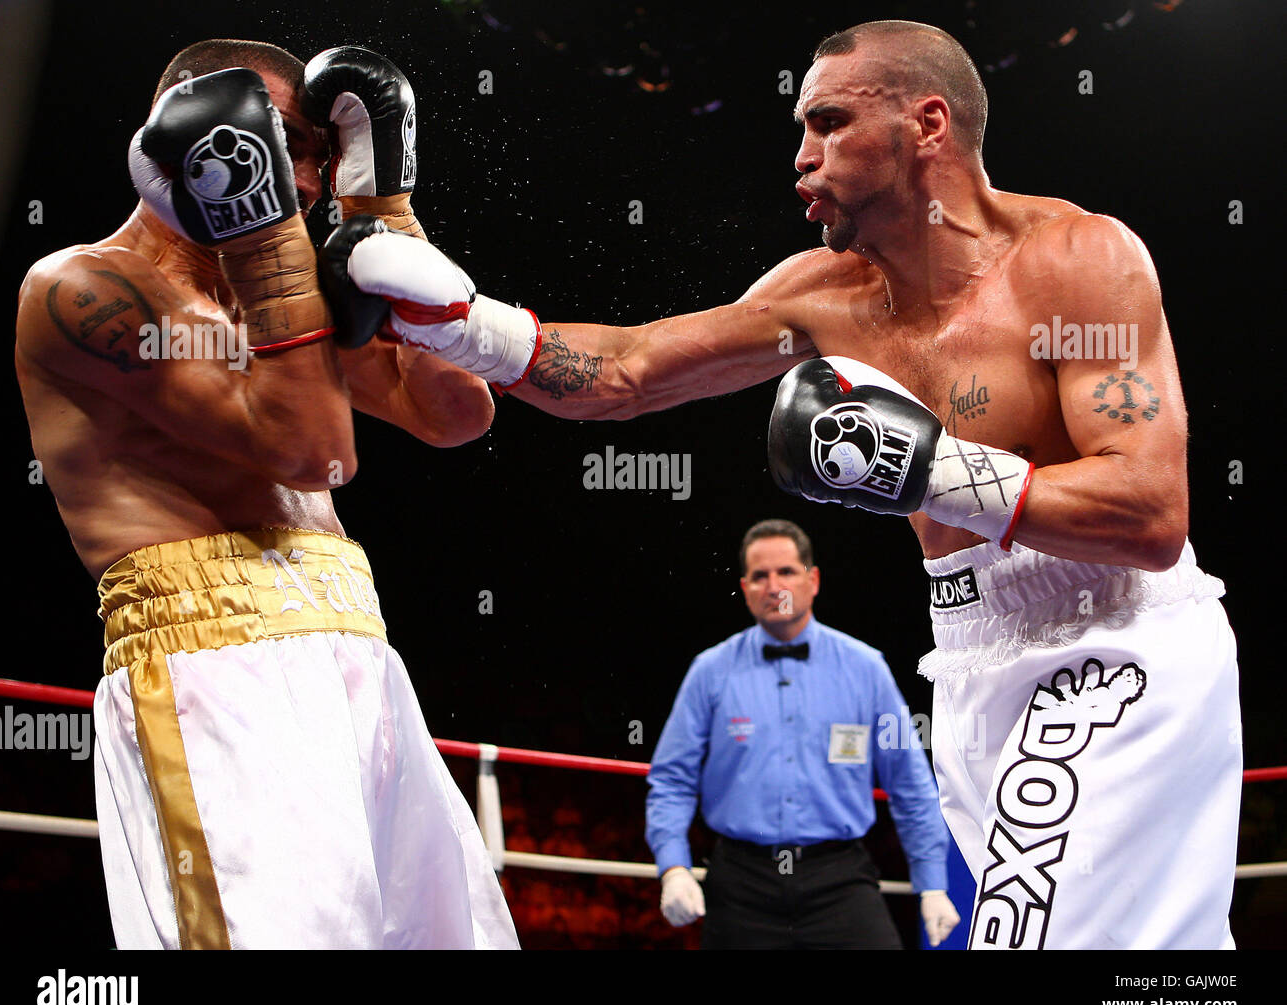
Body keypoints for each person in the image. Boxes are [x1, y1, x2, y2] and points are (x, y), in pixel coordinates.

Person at [321, 19, 1241, 949]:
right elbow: (628, 372)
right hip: (967, 652)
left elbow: (1151, 513)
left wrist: (929, 469)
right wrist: (465, 322)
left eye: (828, 122)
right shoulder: (821, 294)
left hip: (1116, 641)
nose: (801, 156)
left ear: (928, 125)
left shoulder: (1079, 261)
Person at [14, 39, 517, 949]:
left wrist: (386, 216)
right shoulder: (82, 288)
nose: (308, 181)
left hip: (359, 652)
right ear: (191, 138)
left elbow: (455, 412)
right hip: (211, 667)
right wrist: (277, 253)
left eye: (326, 157)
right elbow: (314, 452)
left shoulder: (283, 296)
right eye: (283, 145)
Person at [645, 519, 959, 949]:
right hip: (740, 883)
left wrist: (933, 883)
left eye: (786, 572)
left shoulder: (865, 669)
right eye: (760, 575)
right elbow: (671, 779)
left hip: (840, 880)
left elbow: (910, 781)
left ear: (813, 580)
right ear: (745, 587)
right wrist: (673, 867)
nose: (774, 586)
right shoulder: (710, 671)